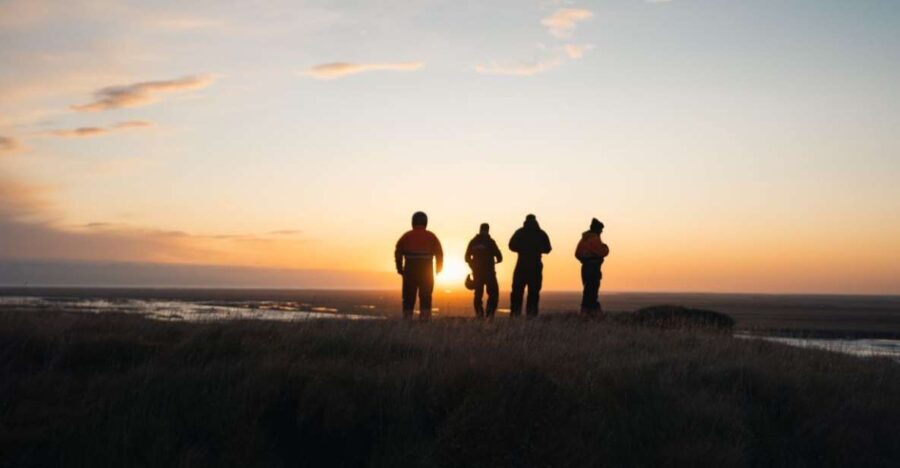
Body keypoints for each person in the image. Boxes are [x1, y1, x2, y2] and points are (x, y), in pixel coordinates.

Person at [395, 211, 443, 319]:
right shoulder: (431, 236)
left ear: (413, 222)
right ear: (426, 222)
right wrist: (438, 268)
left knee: (408, 296)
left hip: (410, 269)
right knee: (426, 296)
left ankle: (407, 320)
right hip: (426, 270)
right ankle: (425, 320)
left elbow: (398, 252)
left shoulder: (406, 236)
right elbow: (439, 253)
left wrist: (399, 268)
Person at [508, 214, 552, 317]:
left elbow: (511, 245)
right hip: (535, 266)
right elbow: (548, 249)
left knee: (517, 292)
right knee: (534, 293)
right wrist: (537, 249)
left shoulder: (520, 232)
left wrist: (522, 249)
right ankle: (531, 316)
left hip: (521, 265)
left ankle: (515, 316)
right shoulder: (541, 233)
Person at [465, 223, 503, 319]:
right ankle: (489, 315)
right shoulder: (491, 242)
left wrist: (472, 266)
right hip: (490, 272)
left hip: (477, 273)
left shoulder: (473, 241)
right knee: (493, 293)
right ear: (488, 230)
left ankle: (480, 315)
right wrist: (495, 261)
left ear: (480, 229)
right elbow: (500, 257)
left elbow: (466, 257)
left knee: (478, 295)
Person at [575, 218, 609, 316]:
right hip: (593, 268)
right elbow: (602, 252)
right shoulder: (594, 239)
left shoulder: (584, 239)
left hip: (585, 268)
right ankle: (590, 313)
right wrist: (606, 248)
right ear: (597, 229)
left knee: (588, 290)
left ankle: (586, 313)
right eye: (601, 229)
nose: (601, 232)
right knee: (592, 291)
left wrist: (584, 259)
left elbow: (577, 254)